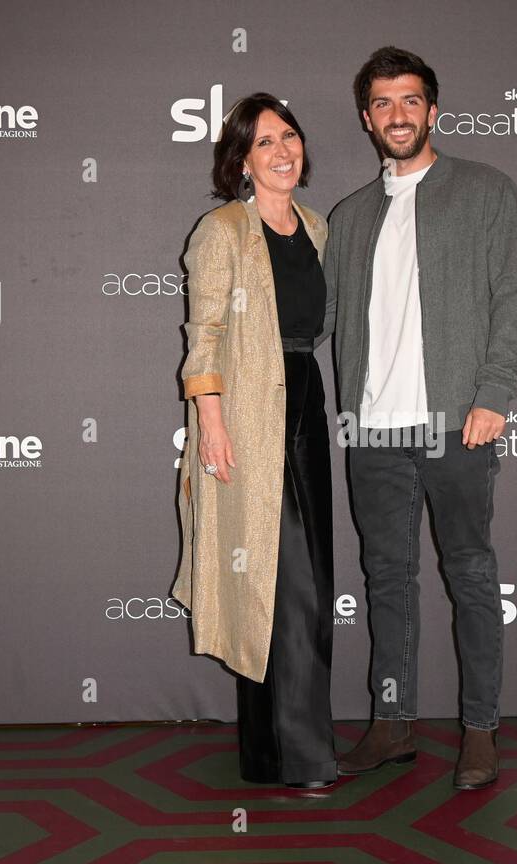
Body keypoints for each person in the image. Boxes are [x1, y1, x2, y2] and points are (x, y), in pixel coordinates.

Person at [322, 48, 517, 789]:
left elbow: (515, 298)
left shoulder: (485, 192)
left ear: (433, 110)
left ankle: (480, 731)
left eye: (410, 100)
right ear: (367, 119)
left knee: (471, 575)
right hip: (373, 433)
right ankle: (392, 726)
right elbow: (317, 321)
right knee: (387, 580)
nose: (398, 114)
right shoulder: (349, 218)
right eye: (383, 103)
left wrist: (493, 393)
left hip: (456, 425)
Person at [171, 93, 336, 789]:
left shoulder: (318, 226)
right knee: (275, 582)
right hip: (243, 412)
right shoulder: (222, 230)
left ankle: (266, 755)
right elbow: (202, 332)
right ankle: (299, 756)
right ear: (241, 160)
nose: (282, 151)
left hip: (305, 396)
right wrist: (212, 423)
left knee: (309, 579)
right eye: (265, 142)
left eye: (290, 137)